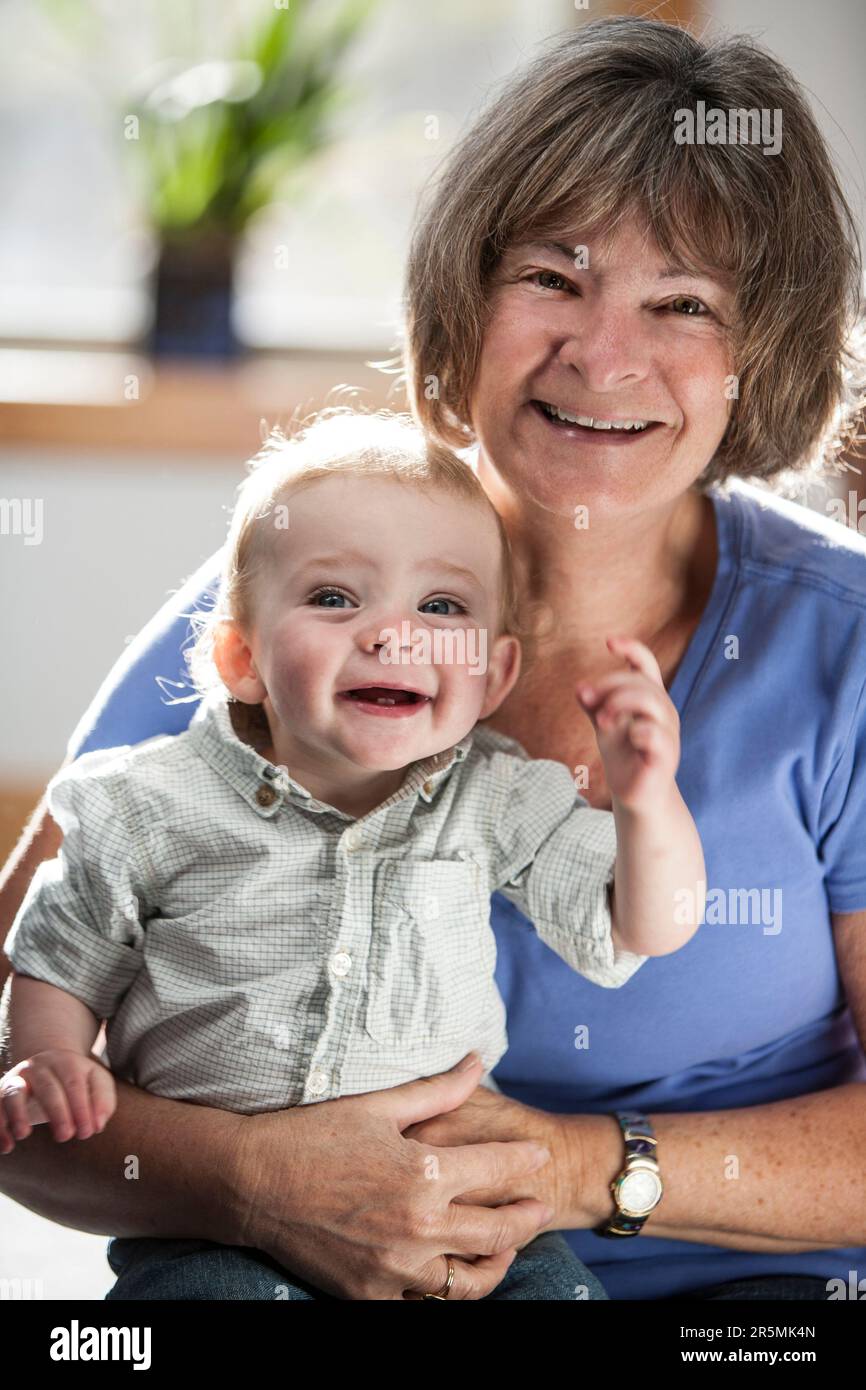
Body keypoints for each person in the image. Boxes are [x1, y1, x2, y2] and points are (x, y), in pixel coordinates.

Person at [1, 14, 865, 1302]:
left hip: (743, 1298)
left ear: (763, 354)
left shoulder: (837, 642)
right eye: (550, 278)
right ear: (464, 295)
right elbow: (18, 1064)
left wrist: (583, 1170)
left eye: (682, 303)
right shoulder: (307, 585)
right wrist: (250, 1183)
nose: (601, 354)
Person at [0, 409, 705, 1301]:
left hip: (452, 1207)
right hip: (214, 1226)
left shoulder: (491, 796)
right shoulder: (147, 804)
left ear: (492, 675)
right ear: (242, 656)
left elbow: (645, 927)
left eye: (441, 606)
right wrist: (52, 1055)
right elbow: (56, 958)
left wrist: (649, 801)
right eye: (335, 598)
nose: (393, 634)